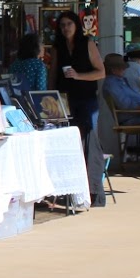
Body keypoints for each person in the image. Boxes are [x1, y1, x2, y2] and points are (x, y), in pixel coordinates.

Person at [52, 12, 107, 208]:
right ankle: (72, 190)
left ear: (76, 25)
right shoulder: (58, 46)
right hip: (65, 99)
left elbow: (101, 72)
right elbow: (54, 72)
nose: (66, 28)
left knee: (91, 141)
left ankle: (95, 192)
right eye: (62, 25)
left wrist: (78, 76)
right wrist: (52, 96)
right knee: (70, 142)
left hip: (86, 97)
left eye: (69, 24)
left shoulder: (87, 43)